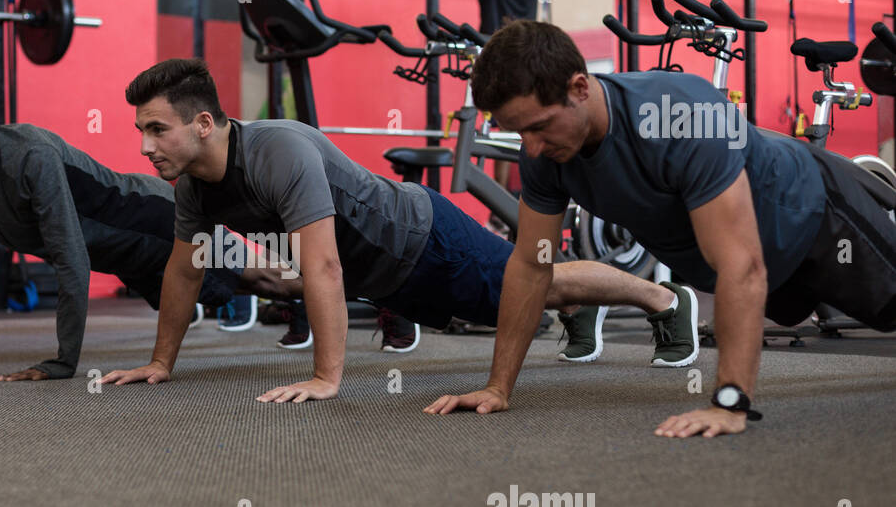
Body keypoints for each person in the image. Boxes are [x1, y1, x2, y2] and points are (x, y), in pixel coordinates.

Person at [101, 59, 693, 403]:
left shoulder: (276, 151)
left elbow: (323, 267)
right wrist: (161, 362)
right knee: (524, 298)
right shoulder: (195, 186)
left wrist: (327, 378)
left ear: (203, 123)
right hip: (388, 278)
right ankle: (580, 313)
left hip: (426, 238)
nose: (145, 146)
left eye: (157, 129)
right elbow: (185, 267)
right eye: (141, 130)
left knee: (542, 283)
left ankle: (666, 299)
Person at [431, 20, 896, 438]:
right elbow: (533, 264)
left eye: (538, 127)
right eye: (519, 133)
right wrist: (497, 387)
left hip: (814, 215)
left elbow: (741, 262)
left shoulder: (680, 114)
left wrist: (729, 402)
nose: (530, 148)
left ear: (578, 88)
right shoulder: (546, 155)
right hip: (762, 263)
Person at [0, 78, 300, 381]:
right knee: (229, 285)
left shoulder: (30, 155)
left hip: (153, 215)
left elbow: (70, 256)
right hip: (120, 253)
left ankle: (347, 286)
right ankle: (311, 299)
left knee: (265, 278)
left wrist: (63, 360)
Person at [472, 0, 585, 231]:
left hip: (525, 60)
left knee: (522, 127)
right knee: (497, 128)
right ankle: (499, 203)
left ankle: (514, 204)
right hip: (495, 59)